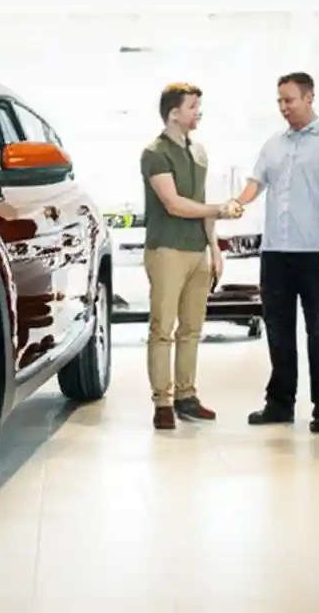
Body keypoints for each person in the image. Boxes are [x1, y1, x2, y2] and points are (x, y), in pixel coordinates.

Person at [235, 72, 319, 433]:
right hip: (275, 251)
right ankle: (279, 403)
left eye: (289, 100)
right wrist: (234, 204)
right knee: (278, 330)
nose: (283, 107)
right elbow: (255, 184)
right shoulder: (274, 143)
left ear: (309, 97)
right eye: (279, 101)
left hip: (315, 251)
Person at [140, 82, 242, 430]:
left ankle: (186, 396)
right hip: (166, 250)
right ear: (174, 113)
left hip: (198, 250)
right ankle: (162, 402)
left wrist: (214, 246)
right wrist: (220, 209)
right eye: (193, 106)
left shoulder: (198, 152)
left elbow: (199, 203)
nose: (199, 112)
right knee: (162, 328)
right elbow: (174, 203)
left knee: (192, 329)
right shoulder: (154, 153)